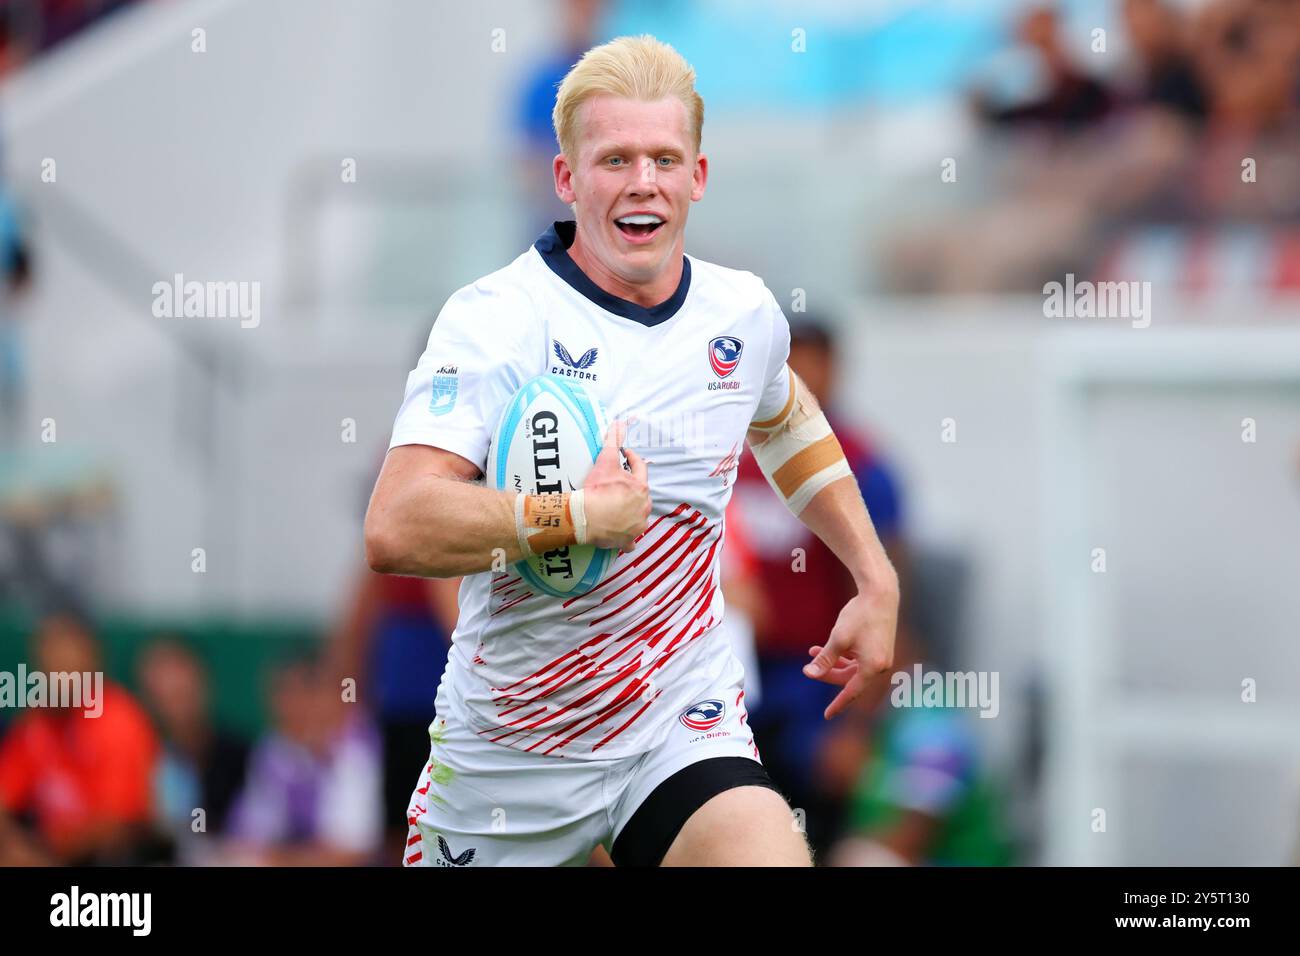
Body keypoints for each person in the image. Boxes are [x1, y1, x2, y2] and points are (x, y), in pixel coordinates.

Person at [365, 35, 900, 867]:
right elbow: (395, 525)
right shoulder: (494, 320)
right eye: (615, 159)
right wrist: (578, 516)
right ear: (567, 179)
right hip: (512, 754)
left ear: (698, 176)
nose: (643, 182)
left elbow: (789, 420)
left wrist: (873, 575)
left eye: (664, 158)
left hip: (677, 726)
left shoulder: (743, 315)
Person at [731, 318, 908, 856]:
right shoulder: (729, 458)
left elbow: (894, 601)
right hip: (735, 679)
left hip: (818, 683)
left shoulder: (861, 469)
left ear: (835, 371)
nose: (802, 377)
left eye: (814, 365)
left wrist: (858, 730)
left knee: (812, 830)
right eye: (791, 366)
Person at [0, 611, 160, 865]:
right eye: (48, 657)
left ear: (93, 660)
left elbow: (116, 825)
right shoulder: (35, 723)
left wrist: (40, 855)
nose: (57, 669)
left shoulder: (119, 719)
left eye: (68, 658)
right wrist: (13, 846)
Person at [220, 655, 383, 867]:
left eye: (302, 694)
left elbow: (349, 853)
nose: (289, 707)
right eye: (282, 695)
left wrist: (277, 859)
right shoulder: (273, 749)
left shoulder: (355, 750)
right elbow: (249, 837)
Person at [136, 638, 250, 859]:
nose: (176, 709)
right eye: (166, 697)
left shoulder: (242, 757)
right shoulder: (139, 761)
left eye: (183, 694)